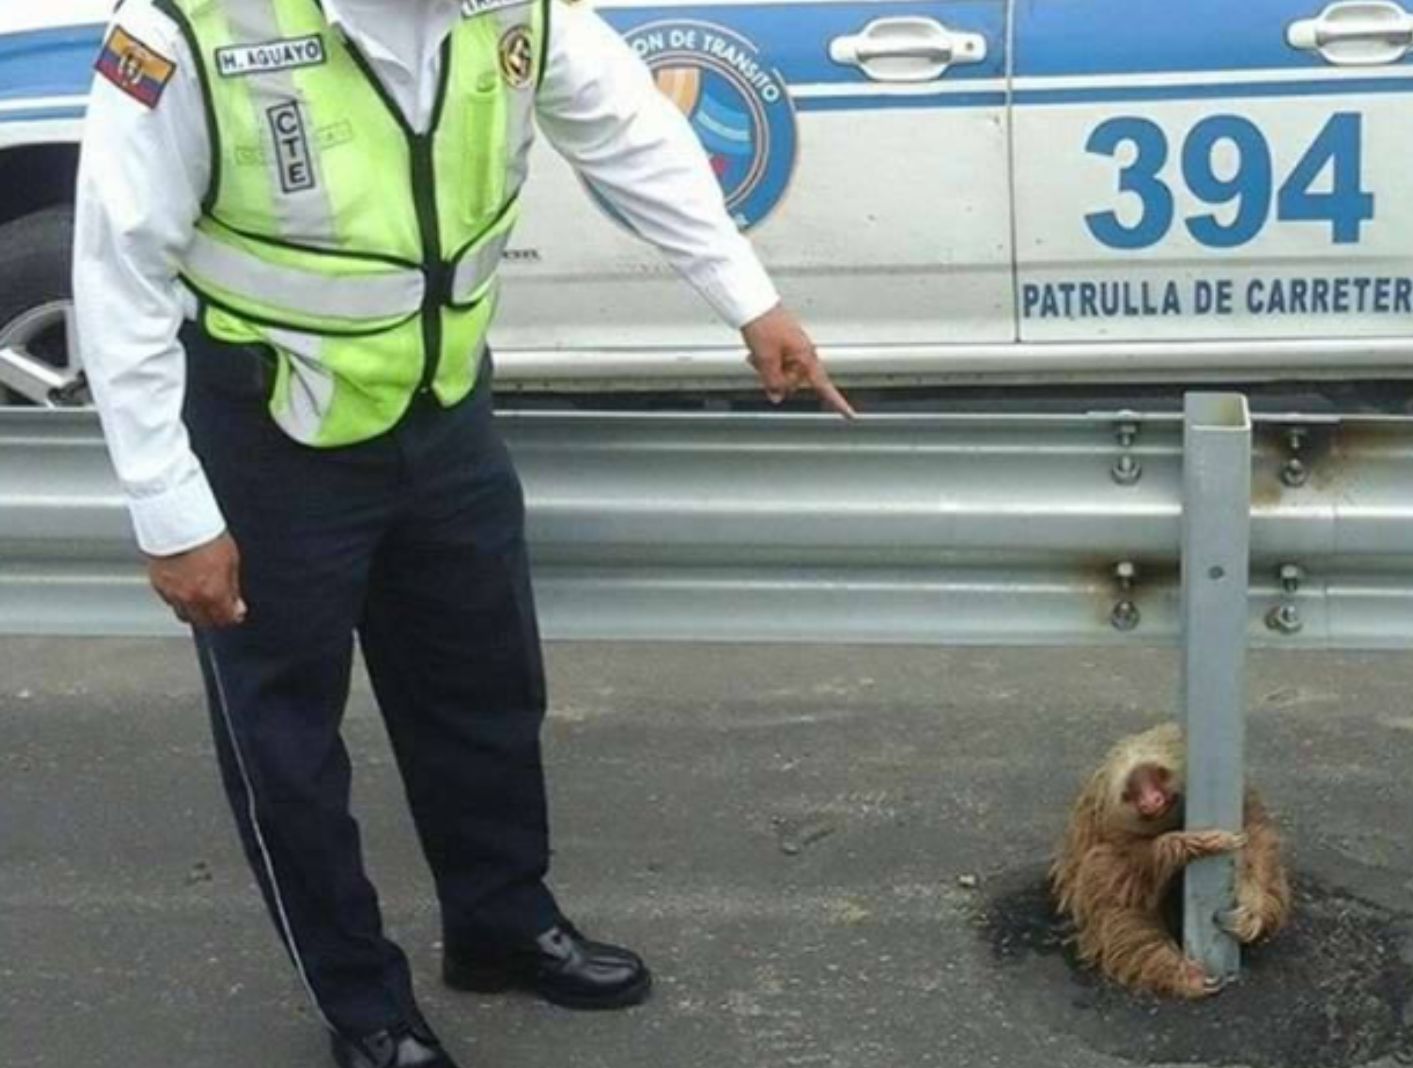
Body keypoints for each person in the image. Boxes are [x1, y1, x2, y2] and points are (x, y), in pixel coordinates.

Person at [72, 1, 854, 1065]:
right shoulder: (191, 26)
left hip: (440, 410)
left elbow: (631, 132)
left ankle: (499, 923)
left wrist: (747, 300)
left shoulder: (514, 8)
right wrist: (171, 514)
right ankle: (364, 1006)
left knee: (482, 685)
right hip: (266, 433)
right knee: (287, 744)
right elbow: (117, 276)